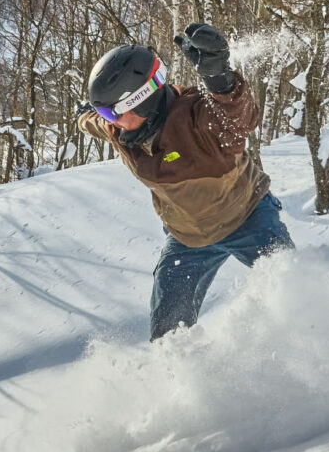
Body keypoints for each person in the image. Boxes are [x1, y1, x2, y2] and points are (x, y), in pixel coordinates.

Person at [77, 23, 294, 339]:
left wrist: (220, 79)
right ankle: (177, 380)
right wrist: (87, 113)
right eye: (107, 115)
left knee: (295, 289)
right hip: (188, 237)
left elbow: (237, 120)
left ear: (141, 100)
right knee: (168, 330)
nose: (113, 124)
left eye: (113, 113)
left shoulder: (198, 117)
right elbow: (92, 122)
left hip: (248, 218)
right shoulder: (121, 129)